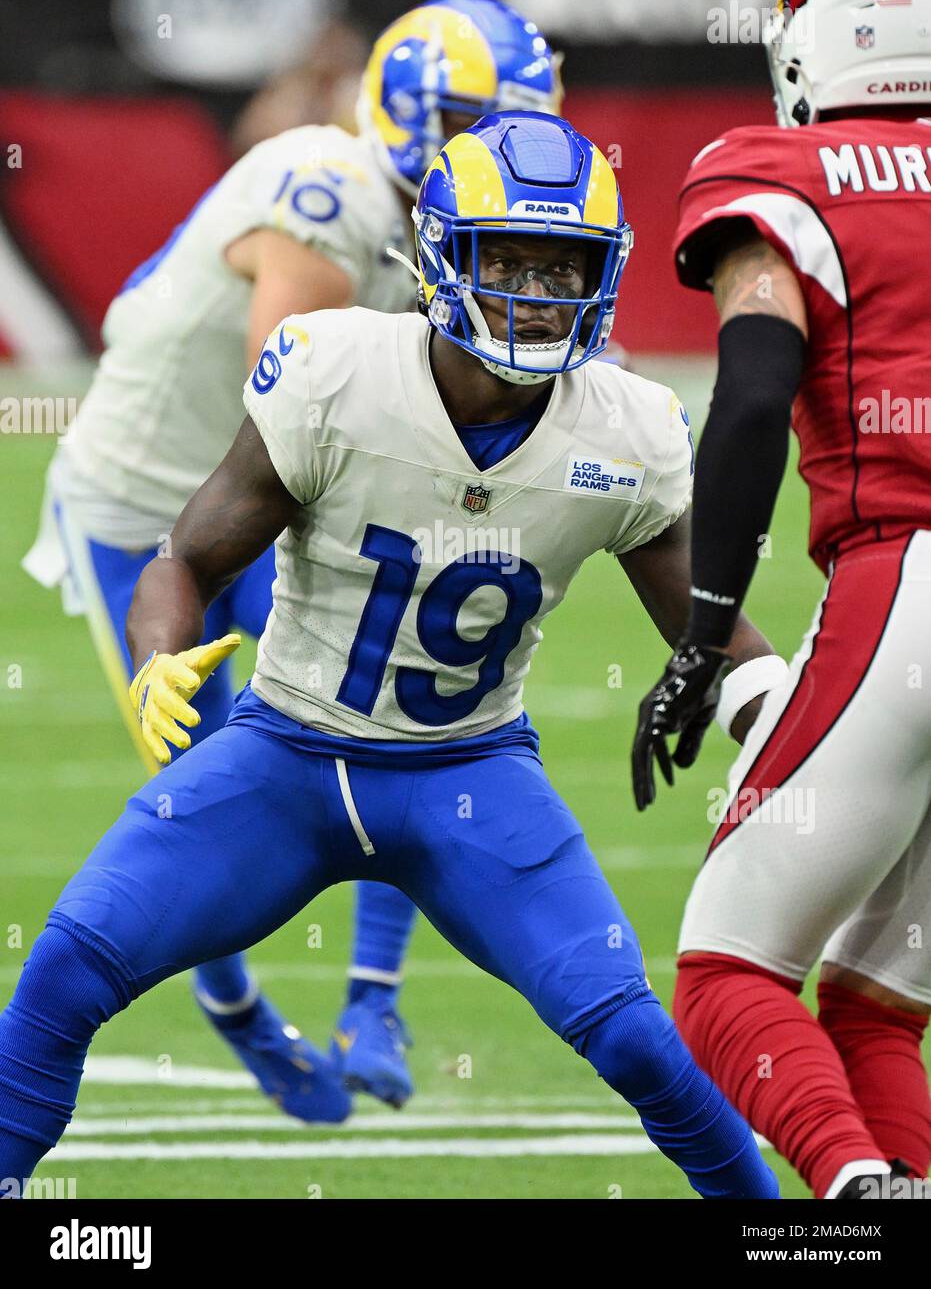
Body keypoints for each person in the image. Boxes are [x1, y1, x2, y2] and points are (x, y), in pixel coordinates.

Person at [0, 110, 780, 1199]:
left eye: (563, 267)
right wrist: (156, 657)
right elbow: (184, 556)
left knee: (639, 1043)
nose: (534, 290)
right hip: (282, 758)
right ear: (439, 255)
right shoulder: (337, 370)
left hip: (469, 773)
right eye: (506, 257)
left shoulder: (628, 431)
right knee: (64, 969)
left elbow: (711, 631)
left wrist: (790, 727)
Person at [22, 0, 562, 1118]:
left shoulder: (444, 219)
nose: (496, 152)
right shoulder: (333, 191)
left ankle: (373, 999)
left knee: (397, 699)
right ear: (416, 112)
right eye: (475, 121)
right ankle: (237, 1012)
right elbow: (301, 395)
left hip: (265, 488)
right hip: (144, 503)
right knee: (200, 779)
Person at [633, 0, 931, 1200]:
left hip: (903, 578)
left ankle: (853, 1207)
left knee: (723, 972)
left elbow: (752, 398)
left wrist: (703, 634)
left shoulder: (777, 172)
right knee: (873, 1003)